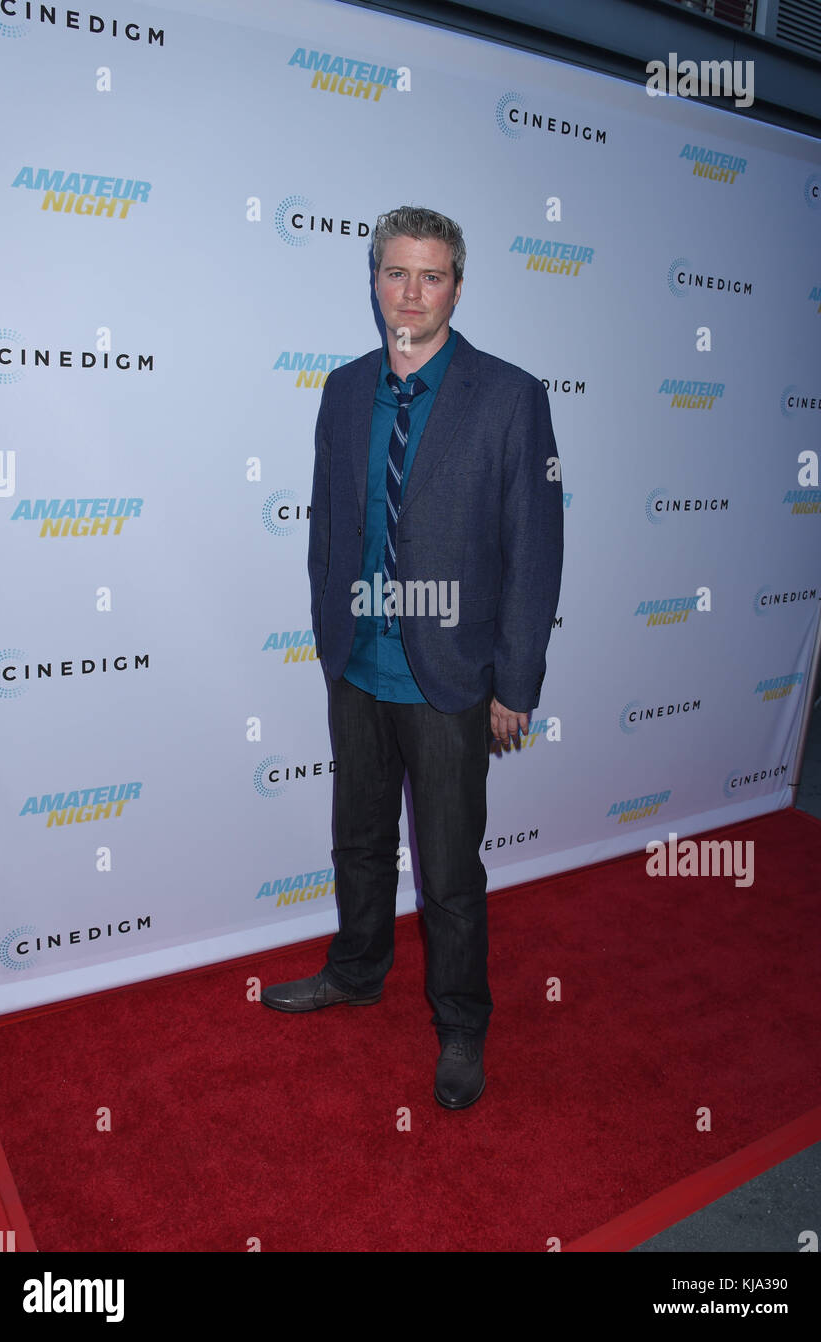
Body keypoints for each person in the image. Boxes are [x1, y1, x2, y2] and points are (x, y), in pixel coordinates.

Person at [262, 205, 563, 1108]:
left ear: (457, 288)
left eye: (431, 277)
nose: (411, 292)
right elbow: (328, 525)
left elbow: (533, 548)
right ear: (374, 280)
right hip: (356, 664)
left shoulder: (509, 396)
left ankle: (461, 1023)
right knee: (357, 840)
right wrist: (329, 631)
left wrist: (514, 681)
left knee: (448, 867)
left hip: (450, 679)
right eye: (396, 272)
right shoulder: (345, 389)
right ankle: (355, 972)